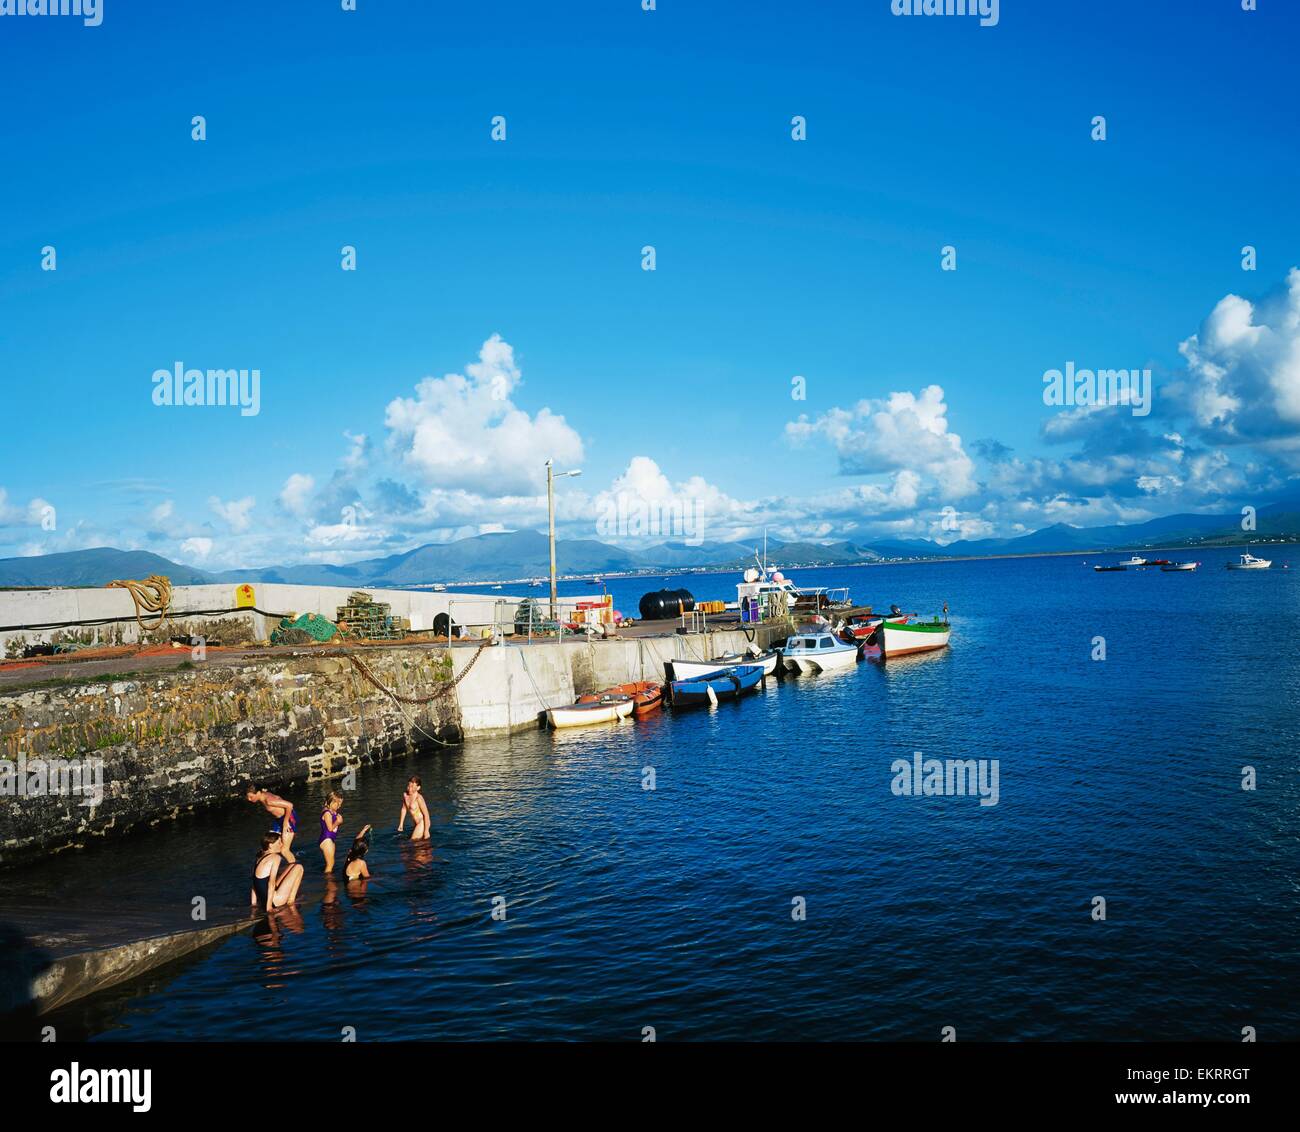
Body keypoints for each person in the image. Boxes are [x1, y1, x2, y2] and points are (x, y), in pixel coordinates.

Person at [250, 833, 304, 910]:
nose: (281, 844)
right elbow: (271, 883)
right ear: (270, 845)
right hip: (275, 902)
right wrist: (269, 907)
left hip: (263, 900)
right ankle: (291, 901)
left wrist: (253, 904)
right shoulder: (275, 858)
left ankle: (286, 900)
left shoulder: (258, 858)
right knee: (299, 867)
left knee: (293, 866)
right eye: (279, 842)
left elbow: (254, 883)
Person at [245, 785, 298, 863]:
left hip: (288, 818)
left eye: (251, 797)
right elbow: (279, 798)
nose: (249, 799)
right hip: (279, 820)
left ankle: (294, 868)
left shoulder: (269, 800)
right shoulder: (263, 796)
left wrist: (286, 823)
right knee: (268, 844)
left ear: (258, 793)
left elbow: (290, 805)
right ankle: (266, 866)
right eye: (248, 797)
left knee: (284, 850)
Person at [319, 791, 344, 872]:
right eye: (338, 804)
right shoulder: (327, 813)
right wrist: (338, 822)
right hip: (326, 839)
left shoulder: (332, 811)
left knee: (331, 863)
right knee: (330, 864)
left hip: (330, 839)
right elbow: (330, 828)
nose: (339, 806)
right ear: (331, 802)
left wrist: (338, 821)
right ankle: (328, 882)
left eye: (340, 804)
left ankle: (328, 878)